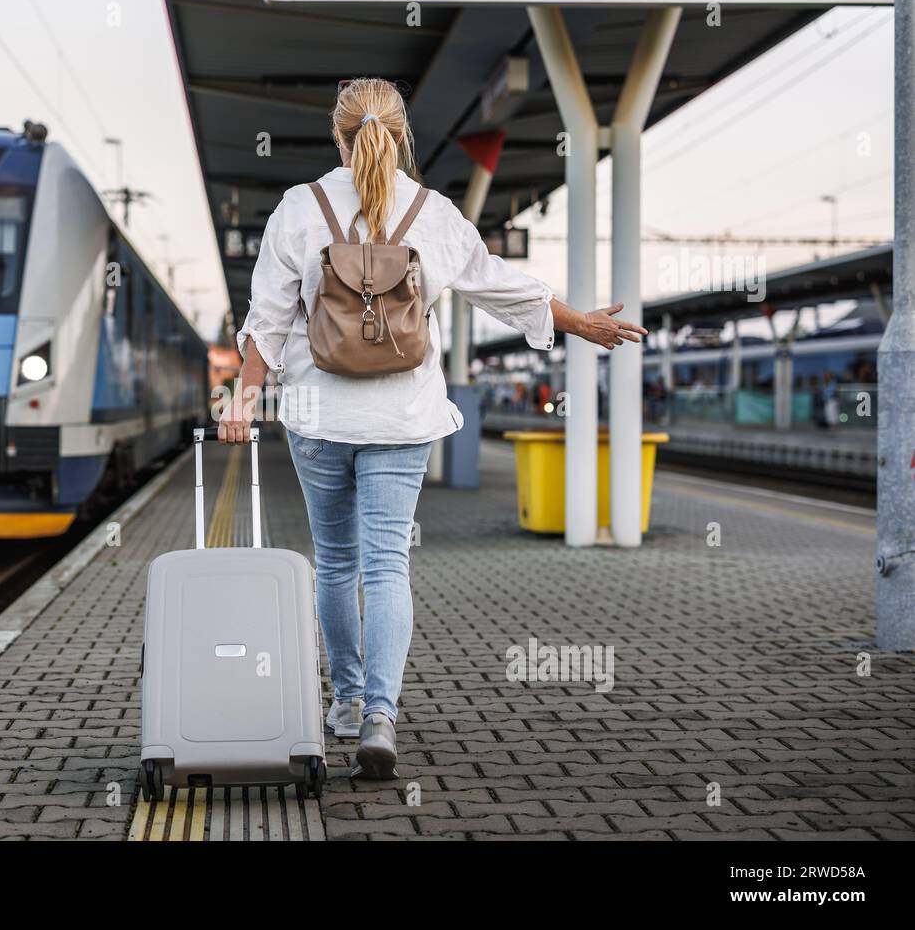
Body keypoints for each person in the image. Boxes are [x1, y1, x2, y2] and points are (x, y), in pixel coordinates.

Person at [217, 77, 645, 780]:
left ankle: (349, 703)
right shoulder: (433, 212)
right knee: (388, 565)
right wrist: (582, 323)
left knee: (336, 562)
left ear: (338, 134)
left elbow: (268, 321)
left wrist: (243, 401)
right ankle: (382, 716)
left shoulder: (300, 208)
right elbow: (498, 283)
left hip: (319, 414)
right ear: (400, 133)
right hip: (402, 413)